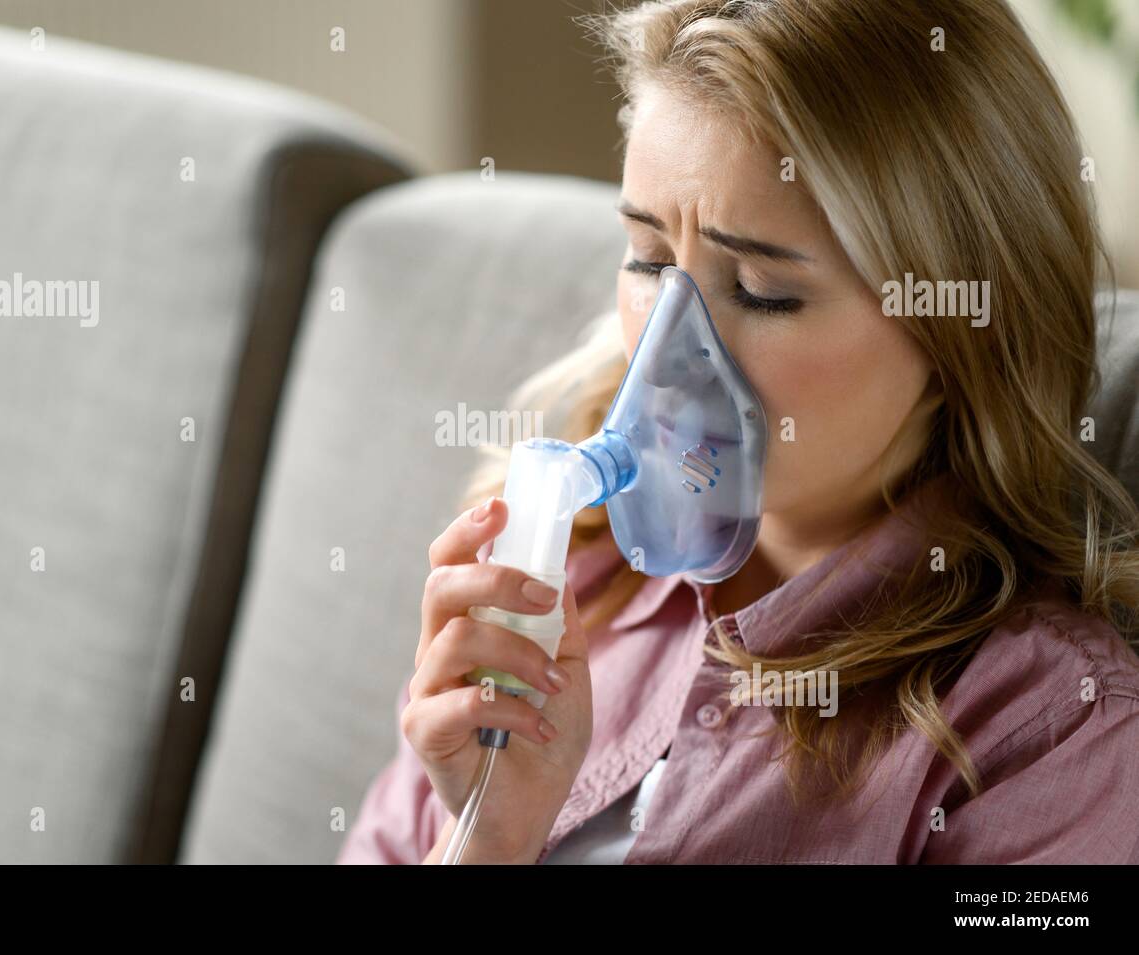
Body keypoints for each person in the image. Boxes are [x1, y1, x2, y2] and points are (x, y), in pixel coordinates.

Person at [337, 0, 1139, 865]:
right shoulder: (559, 588)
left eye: (761, 289)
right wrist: (487, 834)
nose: (665, 353)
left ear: (961, 322)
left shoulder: (1048, 736)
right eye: (649, 261)